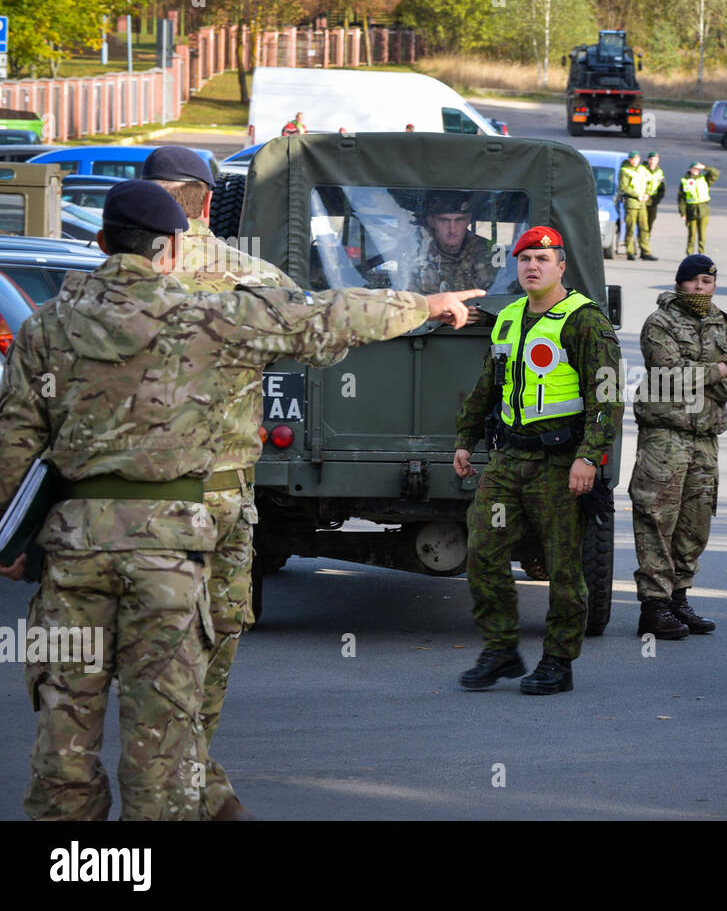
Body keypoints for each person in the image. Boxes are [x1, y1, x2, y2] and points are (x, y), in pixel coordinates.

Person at [0, 180, 483, 820]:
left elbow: (13, 445)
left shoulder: (43, 329)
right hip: (168, 556)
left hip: (71, 552)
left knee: (63, 739)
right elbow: (327, 315)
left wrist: (9, 540)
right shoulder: (209, 317)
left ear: (99, 243)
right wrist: (425, 303)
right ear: (171, 251)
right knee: (161, 743)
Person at [142, 145, 342, 820]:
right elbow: (321, 331)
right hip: (223, 497)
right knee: (212, 648)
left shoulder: (108, 277)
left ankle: (193, 789)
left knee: (145, 663)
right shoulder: (247, 276)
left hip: (129, 505)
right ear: (205, 200)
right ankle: (193, 788)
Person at [453, 226, 622, 695]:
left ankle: (558, 661)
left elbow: (606, 396)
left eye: (542, 259)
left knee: (564, 567)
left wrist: (590, 457)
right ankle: (502, 648)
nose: (532, 266)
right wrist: (465, 438)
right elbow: (487, 385)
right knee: (483, 550)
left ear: (561, 267)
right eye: (525, 258)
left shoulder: (585, 320)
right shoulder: (508, 317)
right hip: (508, 462)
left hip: (561, 462)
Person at [630, 254, 727, 639]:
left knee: (695, 521)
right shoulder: (659, 322)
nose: (699, 288)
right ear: (679, 284)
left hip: (705, 438)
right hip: (665, 436)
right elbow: (667, 375)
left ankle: (679, 599)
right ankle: (654, 607)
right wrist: (715, 370)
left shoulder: (722, 326)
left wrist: (707, 376)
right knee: (656, 518)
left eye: (706, 282)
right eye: (692, 281)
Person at [413, 190, 498, 294]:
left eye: (459, 220)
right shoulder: (416, 251)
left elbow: (501, 291)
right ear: (431, 221)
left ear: (468, 220)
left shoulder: (488, 252)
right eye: (444, 220)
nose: (452, 229)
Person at [619, 151, 656, 261]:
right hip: (632, 203)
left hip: (642, 203)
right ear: (629, 159)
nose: (634, 161)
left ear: (639, 159)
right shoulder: (625, 170)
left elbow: (649, 182)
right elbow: (624, 187)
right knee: (631, 228)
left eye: (636, 158)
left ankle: (645, 251)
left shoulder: (642, 169)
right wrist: (637, 195)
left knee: (644, 228)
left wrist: (647, 194)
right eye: (632, 159)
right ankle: (630, 251)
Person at [678, 161, 719, 255]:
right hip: (691, 210)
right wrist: (682, 212)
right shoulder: (685, 181)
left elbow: (715, 173)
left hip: (703, 210)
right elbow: (681, 198)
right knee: (691, 234)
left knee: (702, 234)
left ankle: (701, 253)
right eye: (694, 168)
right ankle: (689, 254)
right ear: (690, 169)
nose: (696, 170)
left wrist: (704, 167)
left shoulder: (705, 178)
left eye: (698, 169)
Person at [643, 152, 666, 235]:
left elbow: (662, 188)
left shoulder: (659, 172)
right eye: (651, 159)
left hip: (653, 202)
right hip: (642, 201)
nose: (653, 162)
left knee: (650, 222)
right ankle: (641, 241)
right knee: (642, 223)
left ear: (658, 161)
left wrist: (656, 200)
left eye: (655, 160)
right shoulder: (642, 169)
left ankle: (645, 240)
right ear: (648, 160)